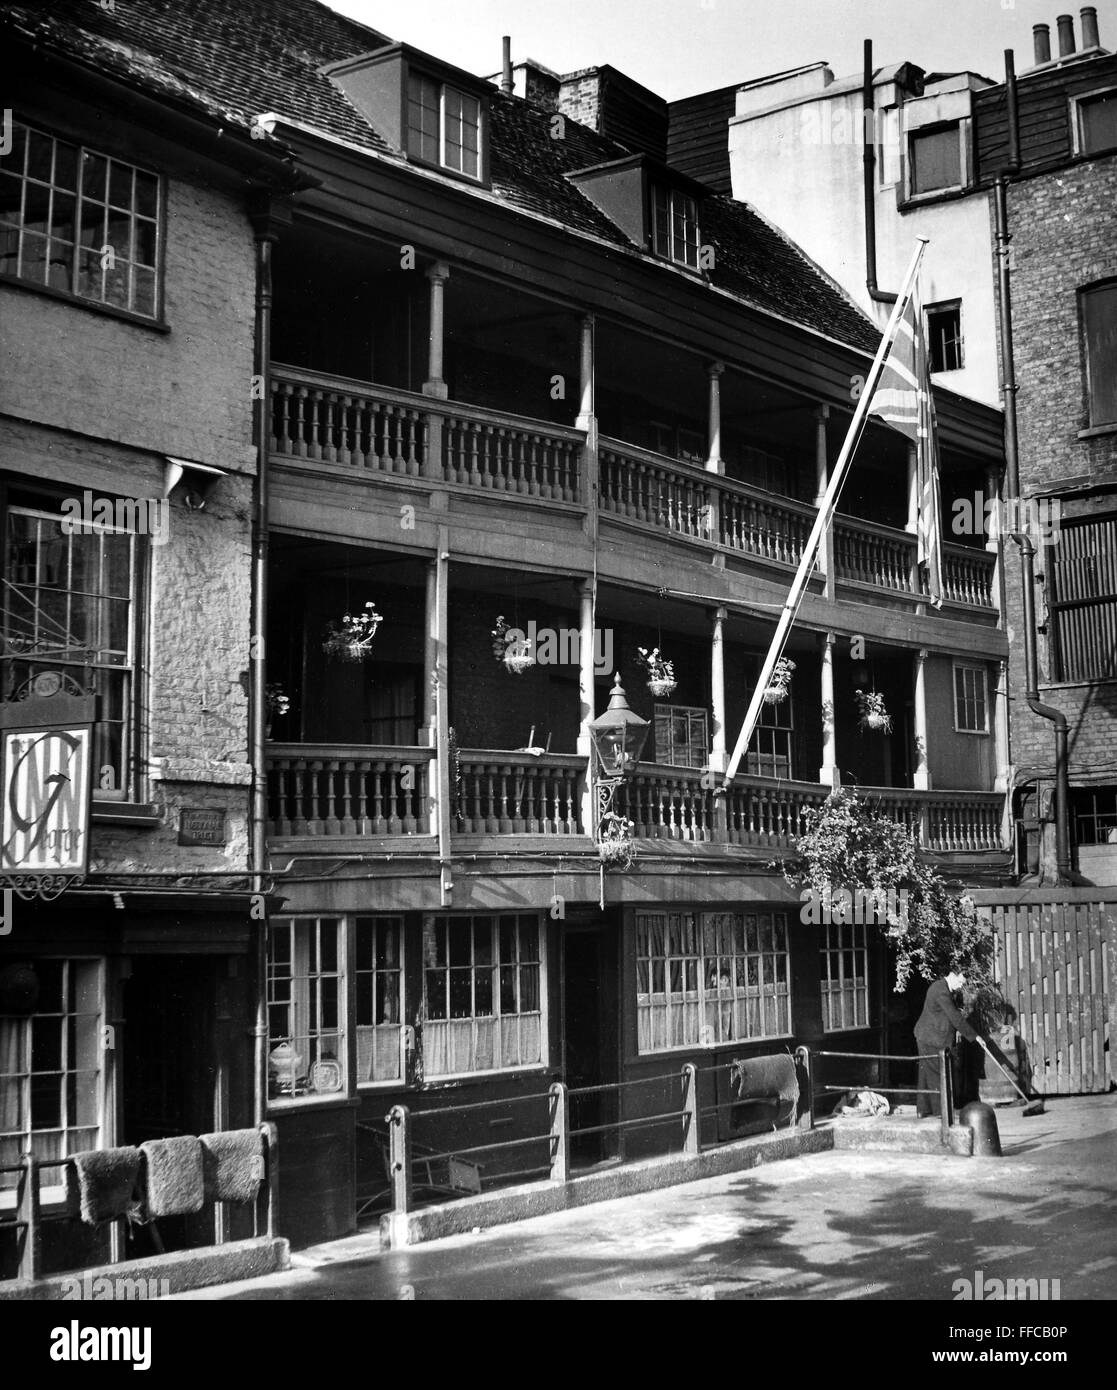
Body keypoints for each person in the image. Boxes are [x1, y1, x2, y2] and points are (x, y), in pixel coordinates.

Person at [913, 970, 988, 1118]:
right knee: (937, 1073)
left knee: (926, 1074)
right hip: (931, 1038)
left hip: (928, 1036)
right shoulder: (941, 990)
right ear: (952, 975)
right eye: (960, 982)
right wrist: (975, 1037)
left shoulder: (942, 988)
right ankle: (940, 1112)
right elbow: (954, 1016)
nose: (960, 986)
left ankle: (924, 1110)